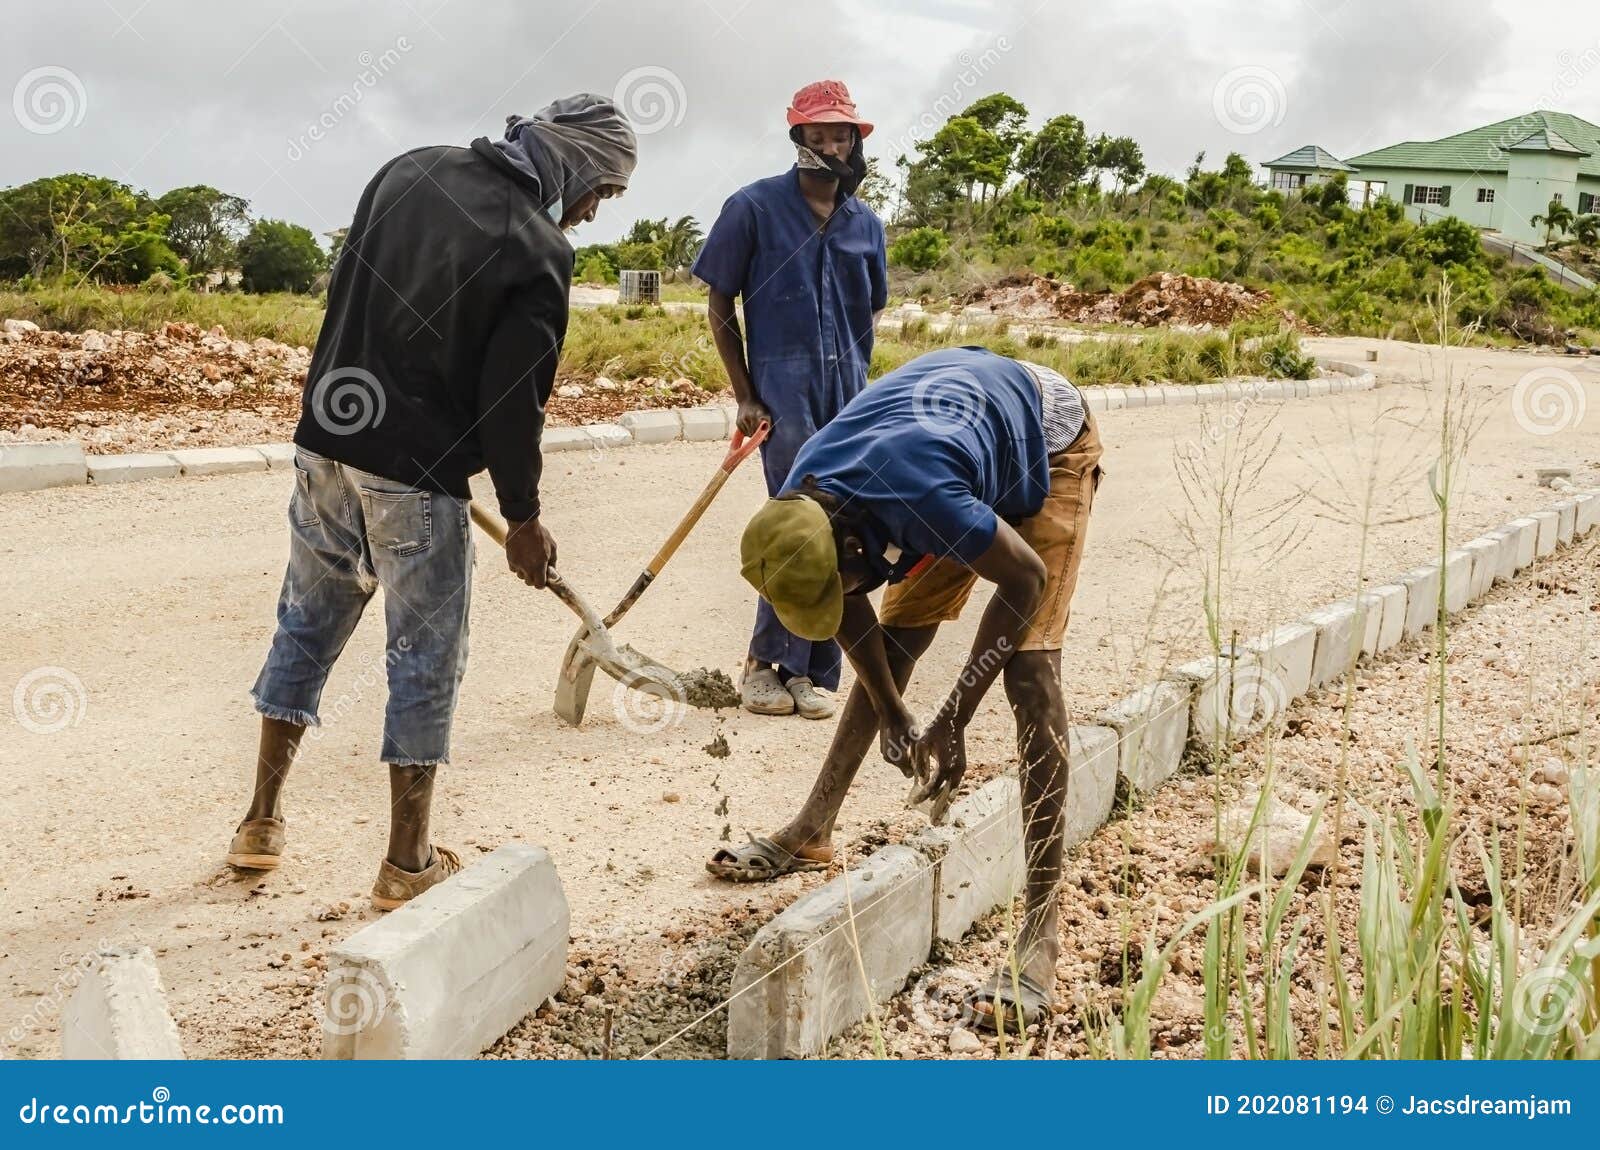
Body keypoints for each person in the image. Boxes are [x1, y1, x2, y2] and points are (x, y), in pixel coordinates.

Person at [228, 95, 637, 910]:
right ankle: (406, 864)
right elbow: (513, 401)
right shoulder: (537, 247)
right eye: (605, 191)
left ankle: (259, 823)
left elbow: (346, 301)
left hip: (324, 448)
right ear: (579, 163)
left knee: (305, 628)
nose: (594, 211)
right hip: (415, 480)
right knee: (424, 659)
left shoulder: (408, 171)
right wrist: (522, 516)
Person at [709, 346, 1103, 1031]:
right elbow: (855, 616)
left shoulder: (923, 495)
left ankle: (1041, 933)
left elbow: (1025, 580)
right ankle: (811, 830)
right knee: (893, 642)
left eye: (843, 586)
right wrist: (894, 712)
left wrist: (952, 717)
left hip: (1047, 433)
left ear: (854, 549)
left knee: (1031, 669)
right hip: (952, 444)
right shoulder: (804, 503)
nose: (843, 602)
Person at [692, 80, 888, 721]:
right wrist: (745, 395)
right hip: (783, 393)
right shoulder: (752, 208)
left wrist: (859, 387)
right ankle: (764, 665)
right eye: (820, 133)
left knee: (844, 524)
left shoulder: (865, 223)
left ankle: (812, 670)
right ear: (799, 137)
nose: (833, 144)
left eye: (843, 134)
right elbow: (719, 303)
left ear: (855, 143)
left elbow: (872, 310)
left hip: (847, 396)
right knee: (798, 524)